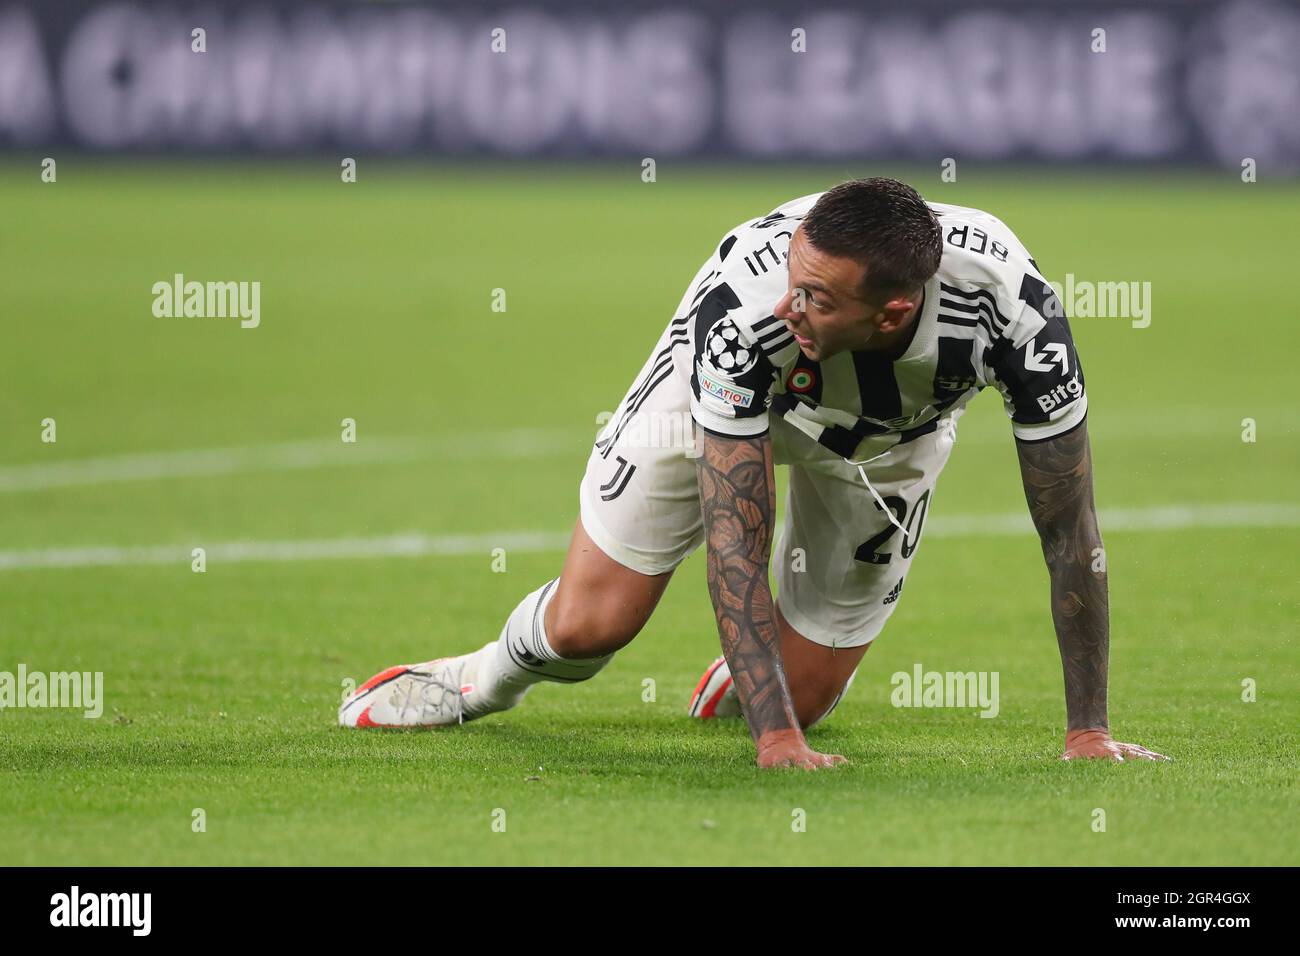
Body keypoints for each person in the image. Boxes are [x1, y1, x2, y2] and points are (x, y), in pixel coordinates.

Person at [340, 178, 1168, 770]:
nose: (788, 303)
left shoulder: (1016, 315)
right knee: (595, 628)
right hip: (721, 396)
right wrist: (777, 744)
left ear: (893, 313)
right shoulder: (747, 309)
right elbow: (735, 535)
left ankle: (749, 676)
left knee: (802, 694)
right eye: (793, 277)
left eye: (814, 296)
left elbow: (1069, 529)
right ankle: (479, 679)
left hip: (887, 444)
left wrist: (1086, 730)